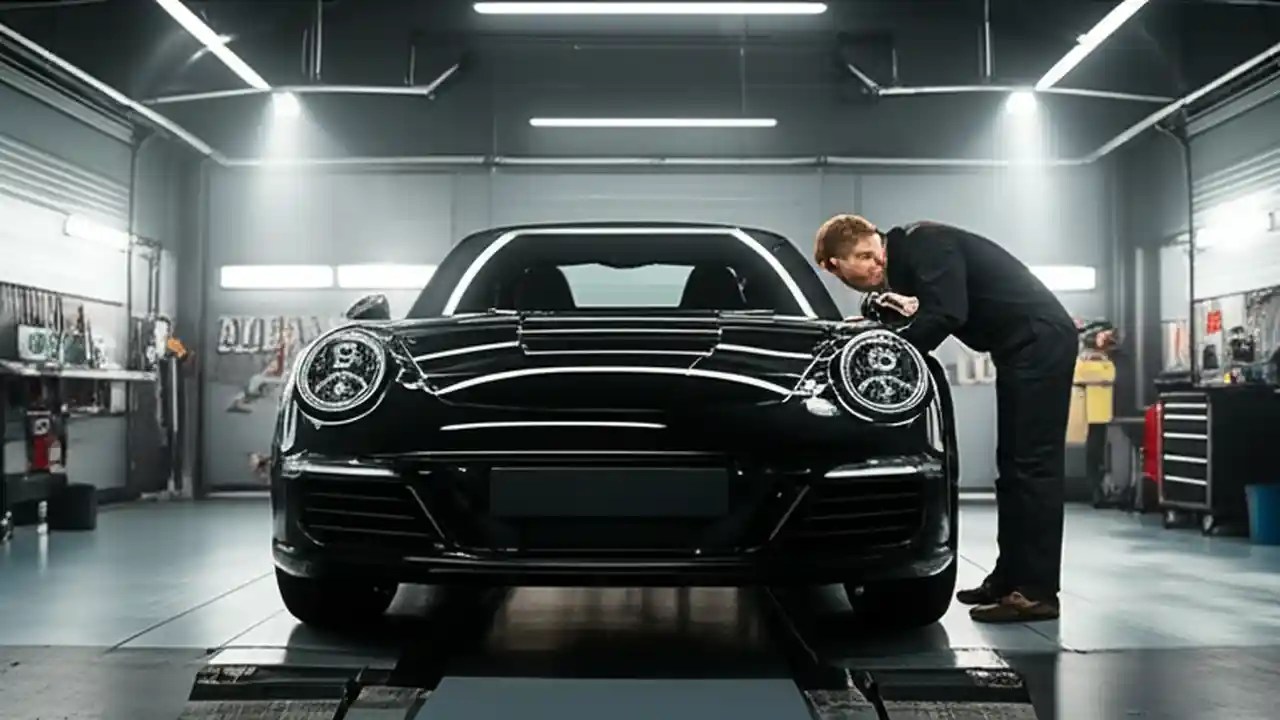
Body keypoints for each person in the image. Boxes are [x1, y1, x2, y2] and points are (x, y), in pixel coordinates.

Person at [813, 214, 1078, 623]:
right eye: (862, 261)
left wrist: (892, 353)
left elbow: (946, 314)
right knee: (1012, 467)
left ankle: (1036, 591)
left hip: (1039, 341)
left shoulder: (927, 245)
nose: (874, 266)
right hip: (1021, 347)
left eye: (872, 253)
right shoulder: (909, 260)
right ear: (834, 266)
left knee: (1032, 466)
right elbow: (918, 313)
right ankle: (1009, 578)